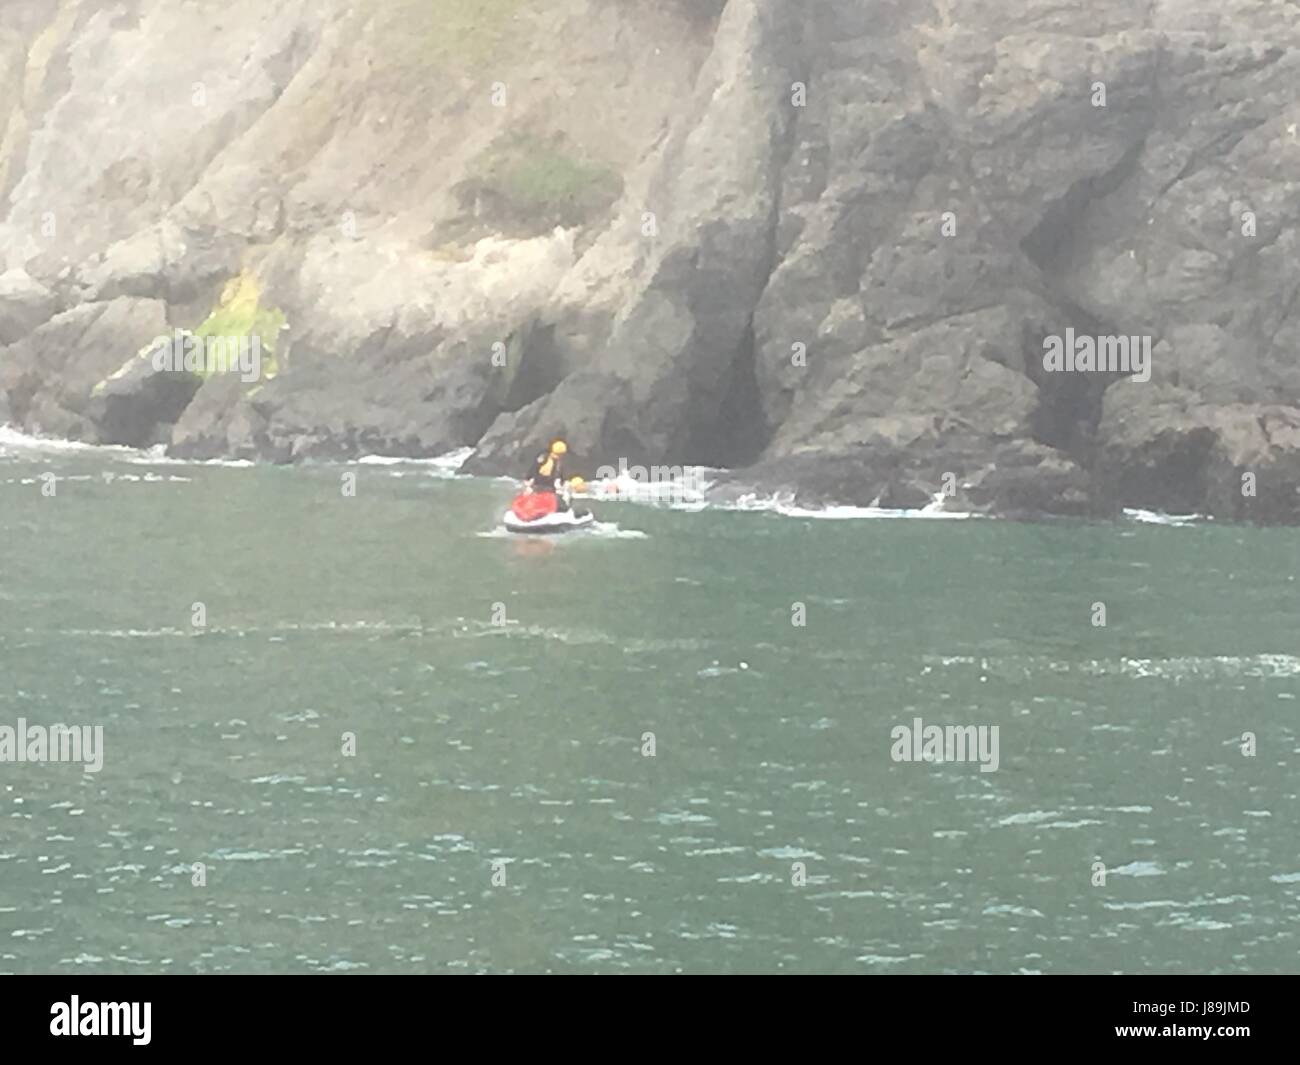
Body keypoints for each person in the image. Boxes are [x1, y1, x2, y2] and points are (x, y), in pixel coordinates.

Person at [523, 439, 569, 512]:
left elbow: (534, 468)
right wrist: (528, 479)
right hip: (542, 485)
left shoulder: (553, 460)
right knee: (559, 504)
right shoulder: (545, 459)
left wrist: (528, 479)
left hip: (545, 486)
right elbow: (535, 468)